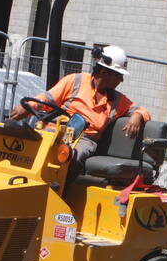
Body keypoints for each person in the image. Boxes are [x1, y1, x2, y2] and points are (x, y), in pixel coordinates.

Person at [11, 44, 150, 181]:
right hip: (54, 130)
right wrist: (28, 107)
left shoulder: (117, 100)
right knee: (23, 147)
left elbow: (142, 110)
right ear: (104, 73)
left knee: (69, 156)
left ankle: (58, 193)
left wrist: (137, 116)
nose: (122, 80)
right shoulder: (75, 80)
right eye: (119, 75)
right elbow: (47, 99)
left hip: (83, 139)